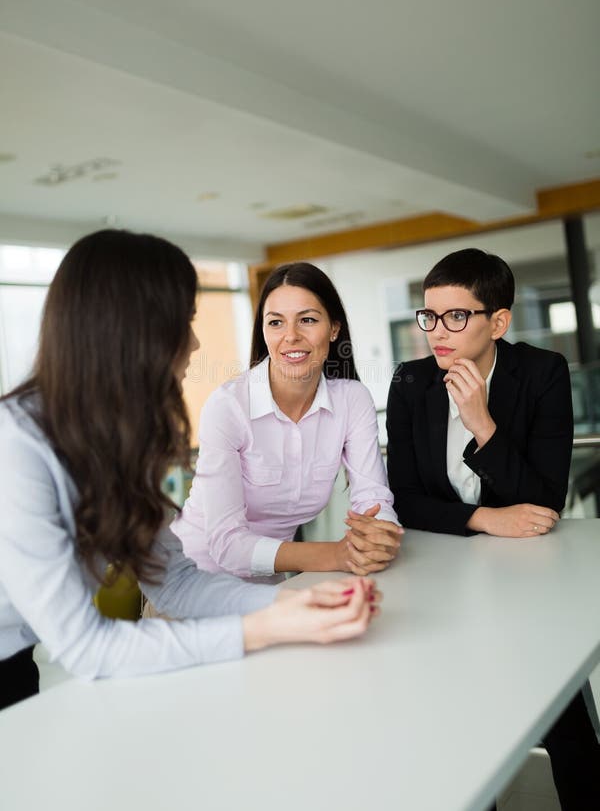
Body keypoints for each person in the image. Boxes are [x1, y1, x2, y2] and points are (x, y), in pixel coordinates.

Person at [0, 231, 380, 713]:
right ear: (131, 333)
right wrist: (263, 627)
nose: (195, 341)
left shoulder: (118, 435)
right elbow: (85, 648)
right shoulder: (15, 446)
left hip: (14, 658)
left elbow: (175, 581)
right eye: (183, 323)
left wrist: (290, 606)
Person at [386, 247, 600, 810]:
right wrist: (484, 518)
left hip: (528, 576)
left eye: (457, 316)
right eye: (429, 316)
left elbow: (545, 501)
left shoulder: (541, 373)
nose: (438, 331)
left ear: (497, 321)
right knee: (460, 725)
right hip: (445, 580)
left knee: (566, 729)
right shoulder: (410, 382)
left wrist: (482, 424)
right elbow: (404, 499)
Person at [172, 261, 403, 582]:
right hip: (192, 580)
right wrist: (338, 553)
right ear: (263, 331)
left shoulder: (352, 399)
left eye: (307, 320)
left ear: (334, 328)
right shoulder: (229, 405)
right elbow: (228, 546)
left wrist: (379, 535)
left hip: (268, 583)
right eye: (276, 322)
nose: (291, 336)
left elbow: (372, 496)